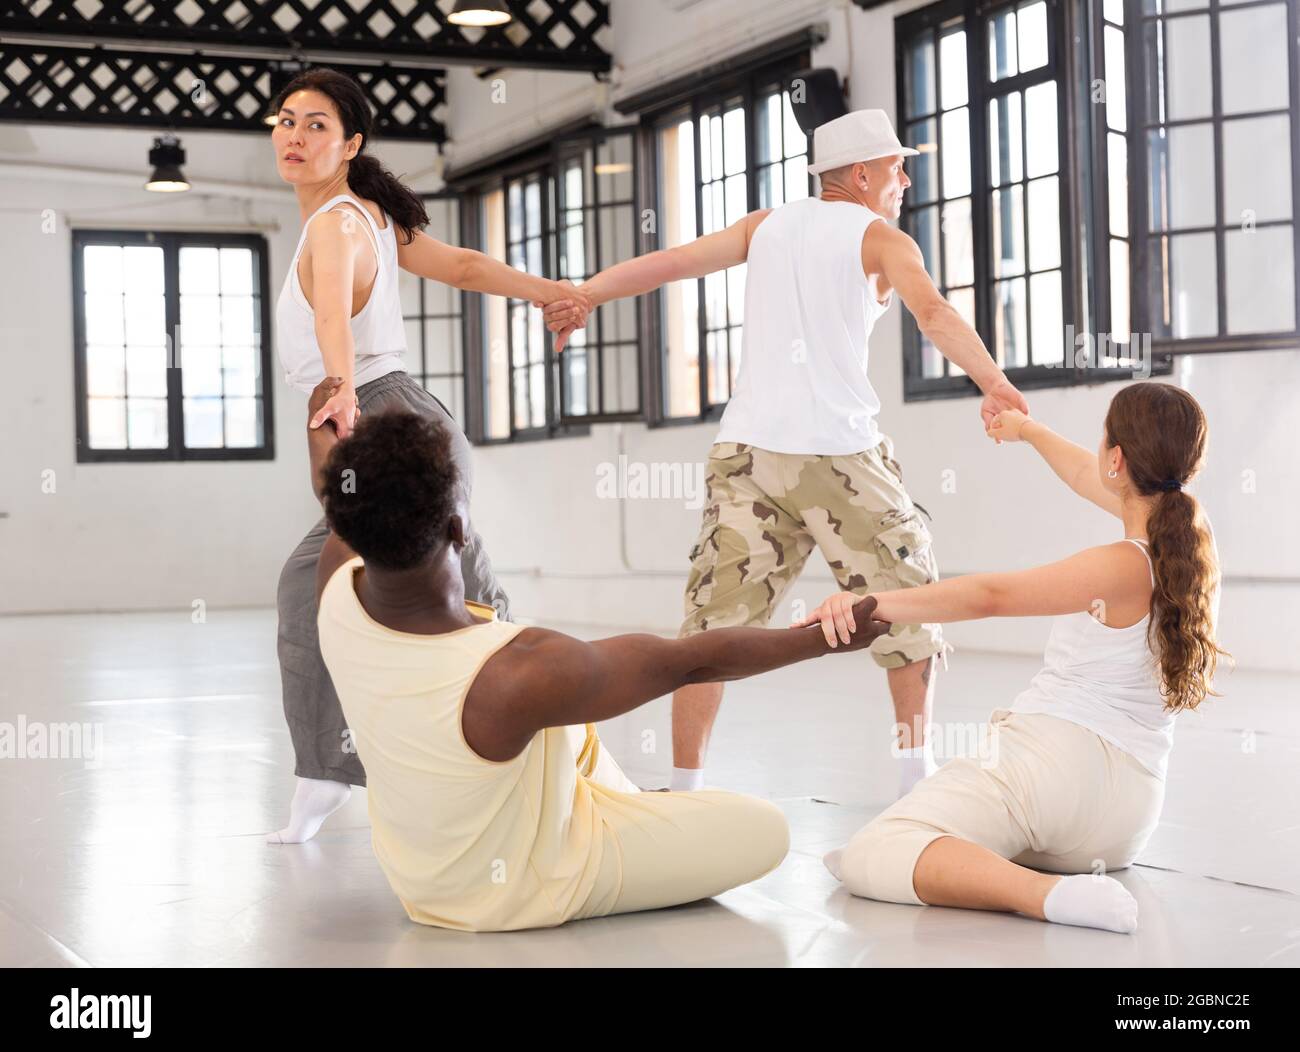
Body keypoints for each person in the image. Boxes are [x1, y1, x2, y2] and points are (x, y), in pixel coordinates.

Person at [542, 108, 1029, 796]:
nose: (905, 180)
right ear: (862, 175)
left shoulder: (764, 225)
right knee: (910, 604)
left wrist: (586, 293)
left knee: (711, 630)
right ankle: (914, 785)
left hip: (747, 456)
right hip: (841, 456)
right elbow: (936, 315)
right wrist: (996, 382)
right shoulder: (883, 240)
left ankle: (685, 793)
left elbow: (671, 263)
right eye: (896, 168)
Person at [300, 378, 892, 931]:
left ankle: (635, 808)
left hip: (419, 877)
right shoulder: (513, 670)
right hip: (521, 886)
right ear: (459, 530)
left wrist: (320, 425)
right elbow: (690, 660)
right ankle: (632, 818)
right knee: (766, 829)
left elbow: (338, 493)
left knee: (574, 736)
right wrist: (819, 638)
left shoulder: (336, 586)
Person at [267, 67, 589, 844]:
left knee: (454, 586)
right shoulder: (368, 215)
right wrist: (545, 289)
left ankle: (549, 714)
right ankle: (329, 770)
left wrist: (339, 387)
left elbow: (335, 311)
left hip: (381, 415)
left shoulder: (340, 226)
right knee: (366, 583)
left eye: (316, 125)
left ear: (351, 144)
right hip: (390, 415)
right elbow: (468, 268)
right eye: (285, 120)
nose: (295, 136)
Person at [800, 382, 1227, 933]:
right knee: (967, 836)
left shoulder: (1119, 565)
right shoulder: (1193, 542)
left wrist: (874, 603)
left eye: (1102, 442)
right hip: (1125, 822)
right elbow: (1083, 474)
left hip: (1052, 771)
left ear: (1117, 460)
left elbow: (989, 596)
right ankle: (1024, 874)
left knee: (871, 851)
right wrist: (1028, 430)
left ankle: (1041, 894)